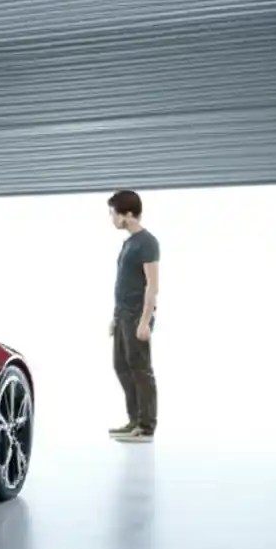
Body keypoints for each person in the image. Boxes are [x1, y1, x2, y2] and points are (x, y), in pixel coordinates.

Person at [106, 190, 159, 443]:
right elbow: (124, 282)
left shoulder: (147, 242)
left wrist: (145, 321)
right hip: (123, 315)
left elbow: (152, 285)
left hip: (137, 315)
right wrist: (115, 317)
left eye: (113, 212)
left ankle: (147, 427)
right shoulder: (128, 243)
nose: (111, 218)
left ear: (127, 214)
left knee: (140, 370)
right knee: (121, 366)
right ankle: (134, 420)